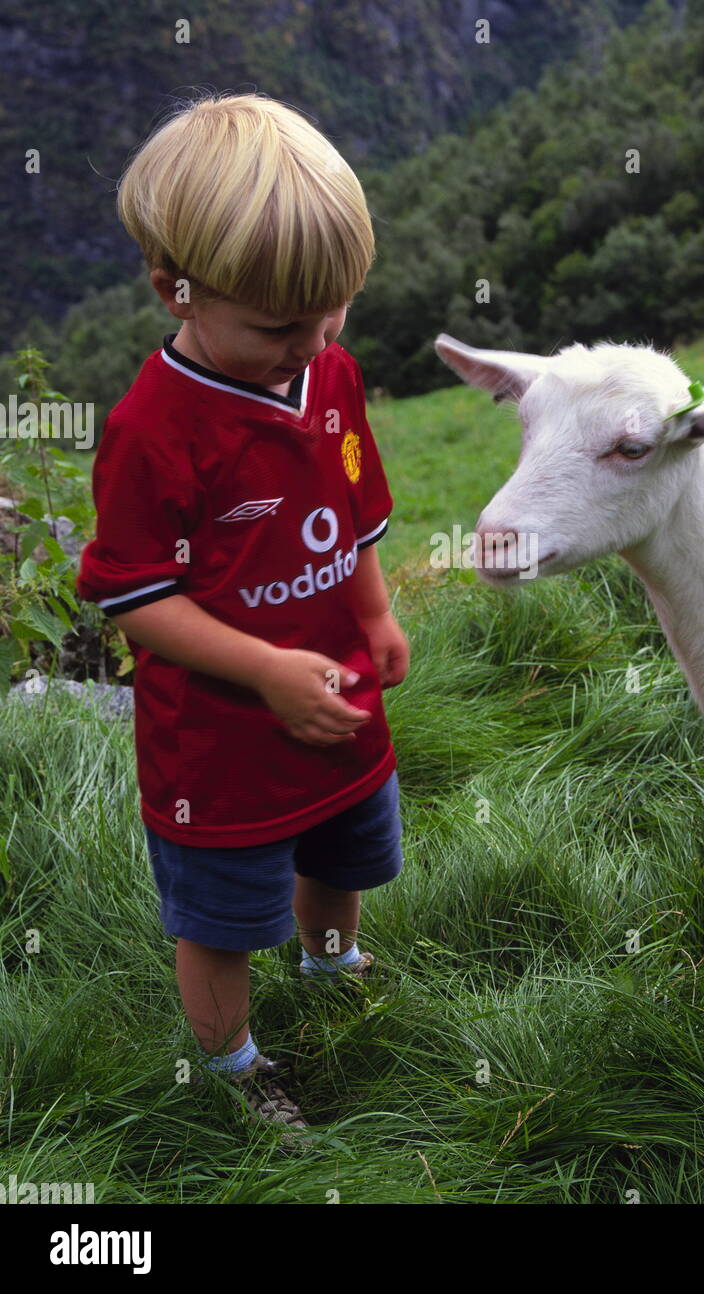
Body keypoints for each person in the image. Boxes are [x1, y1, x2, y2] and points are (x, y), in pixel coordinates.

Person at [76, 92, 410, 1147]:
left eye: (332, 315)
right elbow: (138, 599)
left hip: (337, 701)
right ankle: (229, 1063)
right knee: (219, 914)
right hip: (215, 746)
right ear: (177, 287)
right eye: (279, 326)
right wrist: (264, 669)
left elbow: (349, 508)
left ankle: (331, 961)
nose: (309, 345)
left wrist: (374, 608)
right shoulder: (152, 430)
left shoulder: (330, 374)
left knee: (342, 854)